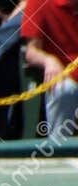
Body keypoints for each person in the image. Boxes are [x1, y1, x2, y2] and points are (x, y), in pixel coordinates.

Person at [25, 0, 78, 134]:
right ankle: (59, 149)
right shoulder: (38, 3)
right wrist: (49, 60)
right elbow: (31, 52)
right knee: (63, 89)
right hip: (65, 73)